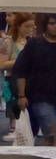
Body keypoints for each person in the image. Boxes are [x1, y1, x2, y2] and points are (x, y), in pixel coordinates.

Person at [12, 14, 56, 142]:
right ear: (45, 25)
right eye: (52, 23)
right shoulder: (33, 44)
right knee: (54, 133)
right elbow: (21, 71)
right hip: (39, 98)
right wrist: (21, 96)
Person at [0, 13, 34, 141]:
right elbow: (2, 64)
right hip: (12, 79)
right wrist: (21, 60)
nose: (30, 29)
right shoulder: (9, 42)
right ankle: (14, 127)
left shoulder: (33, 42)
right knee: (13, 105)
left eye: (32, 26)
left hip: (31, 80)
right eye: (27, 26)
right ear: (19, 26)